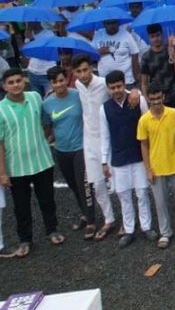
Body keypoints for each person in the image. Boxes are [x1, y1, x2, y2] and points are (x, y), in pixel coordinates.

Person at [0, 68, 63, 257]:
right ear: (4, 87)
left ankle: (52, 230)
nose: (15, 85)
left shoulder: (35, 97)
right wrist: (3, 172)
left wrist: (41, 141)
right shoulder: (1, 109)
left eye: (18, 81)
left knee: (47, 200)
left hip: (42, 161)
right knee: (21, 206)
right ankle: (25, 239)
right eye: (10, 83)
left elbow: (45, 121)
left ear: (24, 81)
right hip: (17, 167)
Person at [100, 70, 156, 248]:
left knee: (142, 193)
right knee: (124, 196)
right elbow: (105, 136)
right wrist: (104, 161)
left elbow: (148, 125)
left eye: (119, 86)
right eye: (112, 87)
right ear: (108, 89)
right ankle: (129, 229)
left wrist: (138, 93)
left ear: (125, 84)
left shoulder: (137, 100)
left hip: (139, 156)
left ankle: (146, 226)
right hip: (118, 159)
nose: (116, 90)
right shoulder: (104, 109)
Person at [73, 53, 121, 242]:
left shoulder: (103, 84)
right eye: (79, 71)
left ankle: (129, 221)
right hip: (89, 142)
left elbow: (121, 92)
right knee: (97, 184)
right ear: (74, 72)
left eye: (86, 69)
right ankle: (109, 220)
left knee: (118, 184)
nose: (83, 74)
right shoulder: (77, 86)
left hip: (109, 139)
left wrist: (135, 94)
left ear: (91, 67)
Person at [137, 86, 175, 249]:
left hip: (174, 163)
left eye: (158, 98)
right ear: (148, 99)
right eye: (152, 99)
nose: (155, 102)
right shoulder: (144, 120)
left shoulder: (173, 113)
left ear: (163, 97)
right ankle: (165, 232)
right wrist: (148, 169)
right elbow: (144, 145)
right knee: (160, 203)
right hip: (156, 166)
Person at [41, 66, 91, 236]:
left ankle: (91, 221)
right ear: (50, 84)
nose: (59, 84)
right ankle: (85, 214)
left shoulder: (78, 95)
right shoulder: (47, 103)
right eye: (55, 82)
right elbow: (47, 128)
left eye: (61, 80)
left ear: (67, 80)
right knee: (73, 186)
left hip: (81, 147)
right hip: (61, 150)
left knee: (83, 184)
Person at [139, 25, 175, 107]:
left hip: (174, 96)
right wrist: (147, 100)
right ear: (149, 37)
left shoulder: (172, 50)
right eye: (152, 36)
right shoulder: (146, 57)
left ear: (162, 34)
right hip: (156, 99)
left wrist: (174, 57)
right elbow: (144, 83)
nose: (155, 39)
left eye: (157, 35)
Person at [95, 20, 141, 88]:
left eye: (114, 22)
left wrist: (136, 77)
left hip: (126, 80)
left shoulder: (126, 34)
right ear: (104, 24)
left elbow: (135, 54)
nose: (111, 25)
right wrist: (99, 51)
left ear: (118, 23)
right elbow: (91, 54)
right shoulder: (98, 35)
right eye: (109, 23)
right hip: (104, 81)